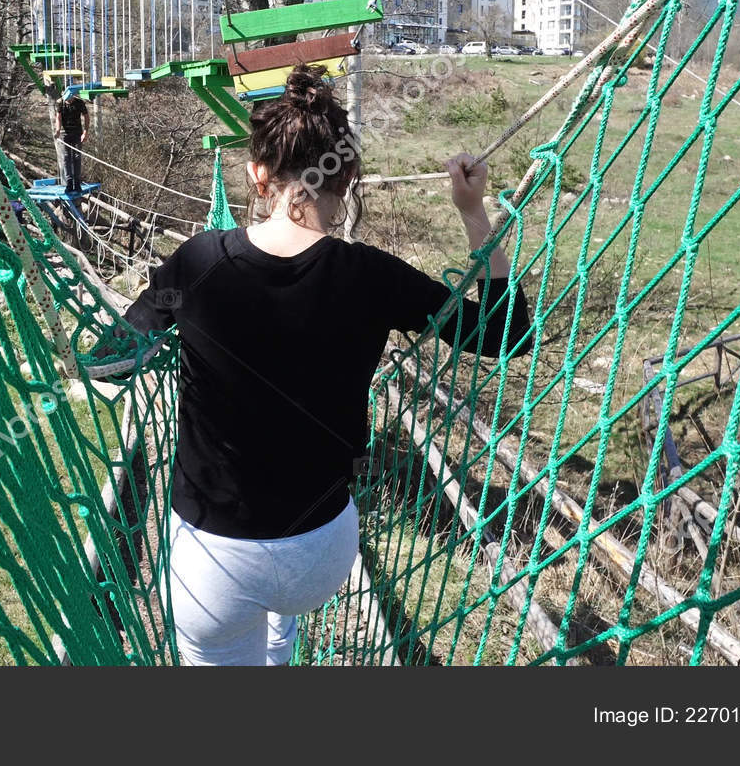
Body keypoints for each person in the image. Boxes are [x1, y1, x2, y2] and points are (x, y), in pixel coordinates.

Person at [124, 64, 531, 666]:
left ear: (257, 175)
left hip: (213, 559)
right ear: (350, 178)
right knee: (278, 629)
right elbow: (507, 334)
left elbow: (111, 359)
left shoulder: (196, 262)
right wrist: (474, 213)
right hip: (317, 554)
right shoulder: (371, 275)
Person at [54, 91, 89, 194]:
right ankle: (69, 183)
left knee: (77, 157)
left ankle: (77, 183)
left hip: (77, 133)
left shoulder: (79, 102)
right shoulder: (60, 102)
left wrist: (85, 132)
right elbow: (58, 118)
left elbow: (86, 117)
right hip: (65, 133)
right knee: (66, 157)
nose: (68, 99)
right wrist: (57, 130)